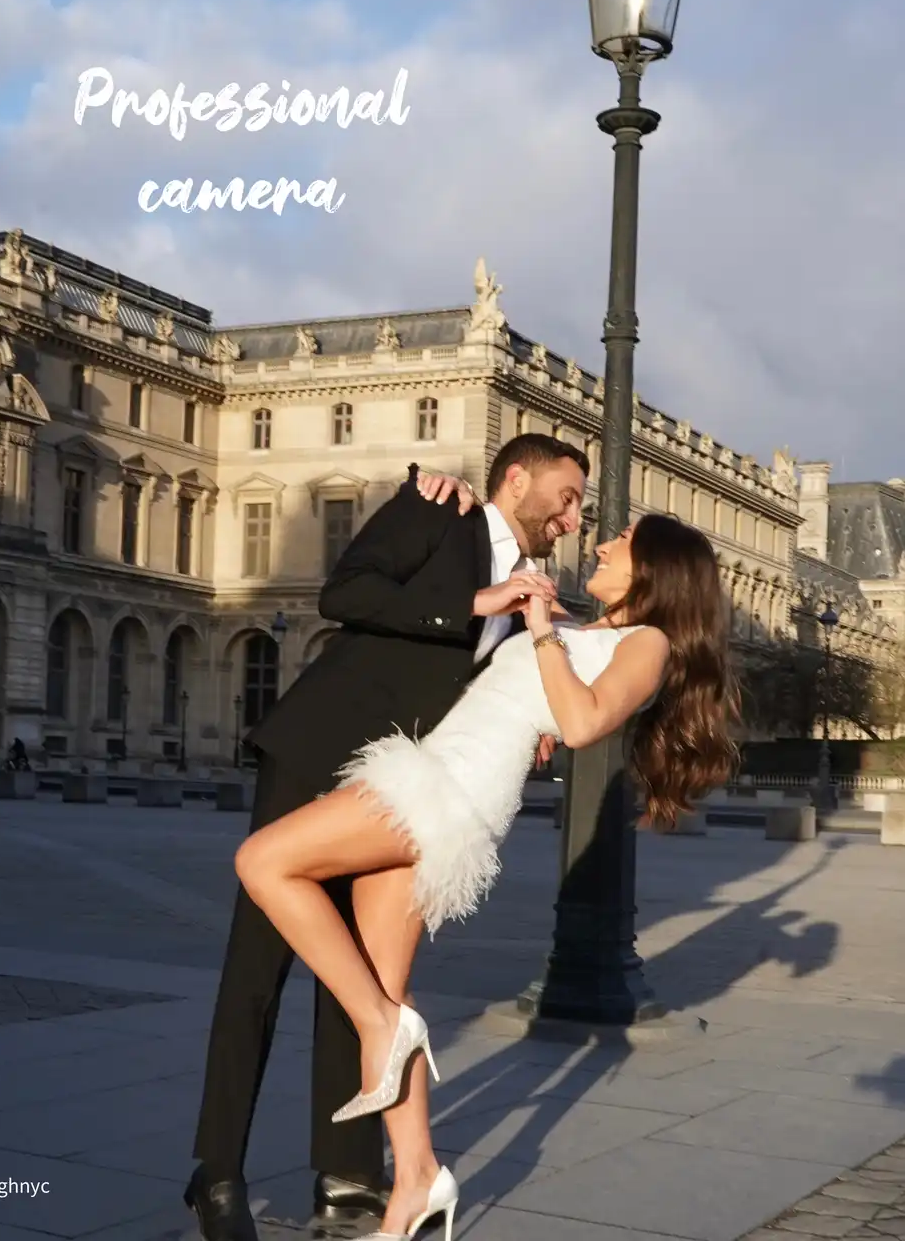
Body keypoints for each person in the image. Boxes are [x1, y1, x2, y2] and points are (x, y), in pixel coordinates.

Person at [234, 508, 739, 1241]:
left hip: (446, 790)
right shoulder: (581, 628)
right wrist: (531, 623)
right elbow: (514, 694)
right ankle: (417, 1179)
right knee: (385, 980)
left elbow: (582, 723)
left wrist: (541, 635)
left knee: (264, 860)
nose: (599, 542)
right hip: (431, 769)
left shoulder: (648, 642)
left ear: (657, 569)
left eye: (621, 542)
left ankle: (382, 1029)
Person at [185, 435, 588, 1241]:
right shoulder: (438, 513)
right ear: (518, 478)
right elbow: (347, 593)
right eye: (569, 495)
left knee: (362, 980)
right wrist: (475, 605)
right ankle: (218, 1171)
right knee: (256, 972)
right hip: (318, 751)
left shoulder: (540, 590)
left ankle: (347, 1174)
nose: (576, 518)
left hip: (401, 786)